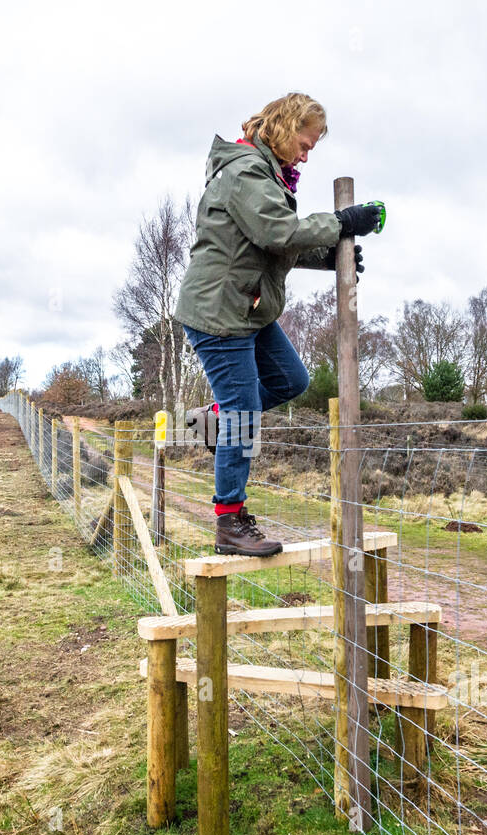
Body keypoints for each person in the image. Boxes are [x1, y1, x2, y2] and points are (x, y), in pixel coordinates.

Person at [173, 92, 387, 556]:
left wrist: (333, 257)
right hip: (218, 310)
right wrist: (340, 222)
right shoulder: (247, 171)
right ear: (284, 128)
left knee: (291, 379)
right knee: (244, 413)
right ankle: (229, 522)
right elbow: (278, 232)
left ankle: (209, 421)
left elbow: (277, 244)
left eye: (313, 149)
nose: (306, 155)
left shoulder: (267, 174)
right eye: (304, 144)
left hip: (247, 307)